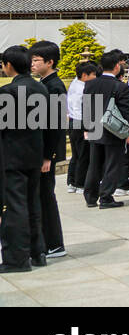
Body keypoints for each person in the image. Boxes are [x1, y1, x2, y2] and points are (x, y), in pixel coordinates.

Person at [0, 45, 56, 272]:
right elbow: (53, 125)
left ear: (9, 65)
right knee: (33, 204)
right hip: (35, 154)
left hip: (12, 156)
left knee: (14, 207)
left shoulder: (9, 93)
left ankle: (16, 258)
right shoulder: (41, 89)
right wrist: (47, 154)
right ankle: (37, 251)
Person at [29, 41, 68, 259]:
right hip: (40, 151)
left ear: (50, 62)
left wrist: (48, 156)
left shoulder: (54, 86)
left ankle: (54, 243)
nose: (32, 64)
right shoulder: (44, 83)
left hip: (47, 153)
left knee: (46, 196)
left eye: (36, 60)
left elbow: (55, 125)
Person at [82, 49, 129, 210]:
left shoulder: (90, 84)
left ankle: (90, 197)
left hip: (94, 128)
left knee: (94, 164)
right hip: (113, 129)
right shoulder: (120, 87)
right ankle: (106, 196)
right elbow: (127, 111)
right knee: (113, 164)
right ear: (117, 67)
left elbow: (86, 106)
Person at [66, 59, 93, 193]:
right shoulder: (84, 88)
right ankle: (80, 183)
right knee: (83, 154)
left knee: (76, 154)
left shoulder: (74, 83)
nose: (95, 77)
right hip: (81, 121)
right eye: (92, 74)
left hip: (72, 121)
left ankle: (71, 182)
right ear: (84, 75)